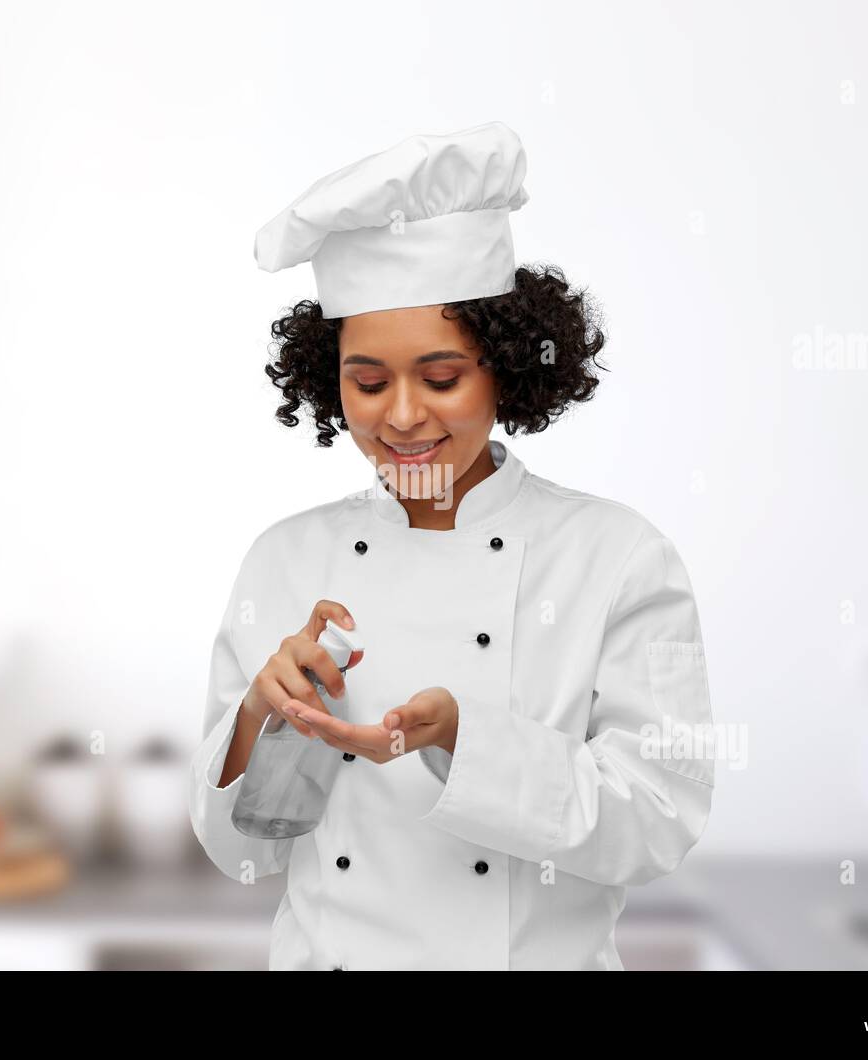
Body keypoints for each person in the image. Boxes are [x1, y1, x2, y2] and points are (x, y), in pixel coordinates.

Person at [189, 122, 715, 970]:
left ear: (506, 369)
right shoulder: (283, 560)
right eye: (367, 382)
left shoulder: (617, 557)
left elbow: (657, 823)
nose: (400, 416)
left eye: (440, 378)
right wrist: (262, 718)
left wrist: (462, 741)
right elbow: (243, 858)